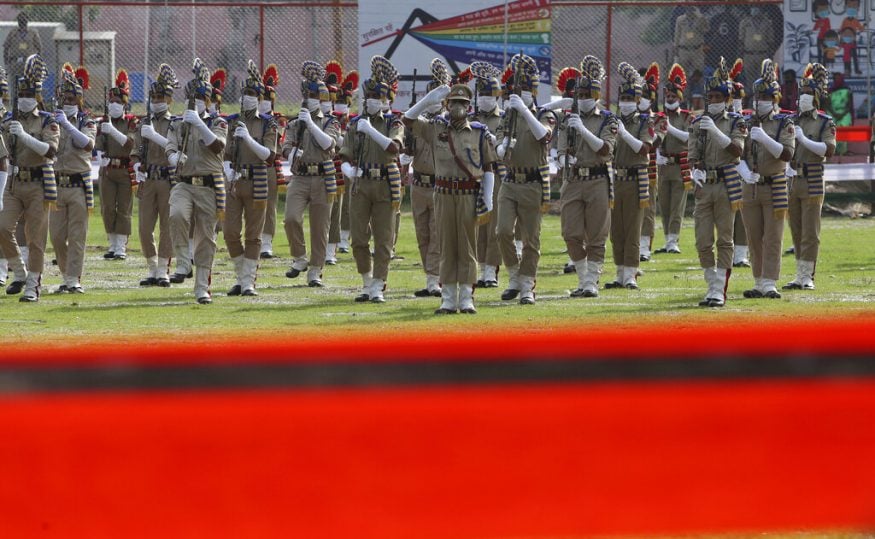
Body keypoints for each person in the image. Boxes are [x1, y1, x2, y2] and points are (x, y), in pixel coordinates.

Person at [404, 83, 497, 314]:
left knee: (467, 246)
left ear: (469, 107)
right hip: (444, 194)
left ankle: (466, 297)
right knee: (446, 245)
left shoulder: (478, 132)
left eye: (463, 104)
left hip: (468, 194)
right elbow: (408, 120)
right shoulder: (436, 128)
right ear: (447, 104)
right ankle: (447, 298)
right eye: (454, 103)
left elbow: (488, 167)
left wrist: (488, 197)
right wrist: (427, 100)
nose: (458, 108)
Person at [338, 55, 403, 303]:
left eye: (378, 98)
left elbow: (393, 148)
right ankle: (366, 281)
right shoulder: (357, 123)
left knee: (384, 238)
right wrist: (347, 169)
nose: (372, 102)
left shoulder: (393, 122)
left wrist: (371, 130)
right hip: (361, 183)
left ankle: (378, 284)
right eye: (370, 98)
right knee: (358, 237)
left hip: (386, 183)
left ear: (386, 100)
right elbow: (345, 153)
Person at [165, 58, 228, 304]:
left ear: (209, 101)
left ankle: (202, 287)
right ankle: (182, 262)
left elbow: (218, 145)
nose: (198, 102)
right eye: (194, 98)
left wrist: (199, 123)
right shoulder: (179, 123)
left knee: (206, 238)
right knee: (177, 215)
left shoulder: (217, 122)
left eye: (202, 98)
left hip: (209, 186)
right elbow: (169, 148)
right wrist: (173, 157)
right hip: (184, 183)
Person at [494, 53, 556, 305]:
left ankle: (528, 285)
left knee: (531, 238)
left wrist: (524, 110)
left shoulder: (542, 113)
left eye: (526, 90)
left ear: (533, 91)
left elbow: (544, 136)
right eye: (517, 90)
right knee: (503, 232)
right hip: (510, 181)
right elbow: (498, 146)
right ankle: (514, 276)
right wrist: (502, 146)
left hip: (532, 182)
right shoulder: (507, 116)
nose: (520, 94)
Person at [688, 57, 747, 307]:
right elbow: (692, 155)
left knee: (724, 238)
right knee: (702, 240)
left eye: (717, 97)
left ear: (726, 99)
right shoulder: (696, 122)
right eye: (709, 97)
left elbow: (737, 151)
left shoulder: (736, 121)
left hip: (726, 182)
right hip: (705, 185)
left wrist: (714, 130)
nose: (712, 101)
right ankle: (711, 282)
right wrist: (695, 172)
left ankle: (718, 290)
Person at [557, 55, 617, 298]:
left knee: (596, 234)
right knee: (570, 233)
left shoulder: (607, 119)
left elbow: (605, 150)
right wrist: (563, 160)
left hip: (597, 179)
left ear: (596, 96)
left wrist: (581, 128)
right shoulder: (567, 119)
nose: (582, 99)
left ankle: (591, 281)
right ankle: (583, 278)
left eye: (586, 95)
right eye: (579, 95)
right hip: (573, 180)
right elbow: (560, 149)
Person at [0, 54, 57, 302]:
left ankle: (33, 285)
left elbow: (50, 151)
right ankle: (20, 272)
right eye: (20, 95)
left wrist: (23, 135)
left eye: (28, 95)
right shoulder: (9, 118)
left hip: (38, 182)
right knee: (2, 226)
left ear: (36, 96)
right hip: (14, 181)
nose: (23, 99)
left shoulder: (47, 120)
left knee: (36, 237)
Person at [739, 59, 795, 300]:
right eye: (757, 96)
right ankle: (759, 280)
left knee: (773, 235)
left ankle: (771, 281)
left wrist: (764, 138)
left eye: (765, 97)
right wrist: (743, 171)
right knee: (753, 235)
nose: (759, 101)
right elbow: (737, 152)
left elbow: (787, 153)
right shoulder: (747, 120)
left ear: (774, 100)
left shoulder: (785, 122)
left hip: (775, 184)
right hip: (750, 186)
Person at [282, 61, 340, 288]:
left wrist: (312, 125)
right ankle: (299, 258)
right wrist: (291, 154)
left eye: (315, 95)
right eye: (308, 94)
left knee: (320, 226)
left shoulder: (330, 121)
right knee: (290, 218)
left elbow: (329, 144)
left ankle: (315, 271)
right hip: (300, 176)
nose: (311, 98)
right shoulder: (296, 123)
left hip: (323, 176)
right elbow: (285, 146)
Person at [224, 60, 278, 296]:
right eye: (245, 93)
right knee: (230, 231)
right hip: (236, 180)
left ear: (259, 97)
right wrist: (227, 168)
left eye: (252, 94)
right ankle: (241, 274)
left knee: (253, 234)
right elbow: (226, 152)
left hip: (257, 178)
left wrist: (248, 138)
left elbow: (268, 155)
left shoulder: (268, 123)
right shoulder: (233, 120)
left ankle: (247, 281)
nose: (247, 97)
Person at [783, 63, 835, 291]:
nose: (803, 97)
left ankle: (807, 276)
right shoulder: (791, 120)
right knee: (796, 228)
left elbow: (829, 150)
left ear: (815, 97)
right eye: (801, 93)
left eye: (807, 93)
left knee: (810, 230)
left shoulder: (825, 121)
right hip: (793, 179)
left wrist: (804, 140)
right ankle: (799, 273)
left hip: (813, 176)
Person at [605, 62, 654, 290]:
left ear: (637, 100)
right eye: (621, 99)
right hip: (616, 177)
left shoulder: (645, 121)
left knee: (633, 227)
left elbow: (644, 149)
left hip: (636, 178)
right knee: (616, 229)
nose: (624, 103)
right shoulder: (612, 121)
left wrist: (624, 133)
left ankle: (631, 273)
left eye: (628, 99)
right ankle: (619, 271)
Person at [50, 64, 96, 294]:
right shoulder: (52, 120)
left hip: (78, 184)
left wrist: (66, 124)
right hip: (56, 183)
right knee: (57, 236)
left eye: (72, 98)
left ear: (79, 100)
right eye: (64, 98)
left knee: (78, 236)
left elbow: (87, 144)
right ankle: (67, 274)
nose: (67, 102)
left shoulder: (86, 122)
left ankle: (73, 279)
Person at [132, 63, 179, 287]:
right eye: (153, 97)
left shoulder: (176, 124)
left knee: (167, 226)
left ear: (168, 99)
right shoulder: (144, 122)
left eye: (160, 97)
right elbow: (135, 151)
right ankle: (152, 268)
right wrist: (136, 168)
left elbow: (179, 151)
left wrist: (156, 137)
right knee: (144, 227)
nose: (156, 100)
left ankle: (163, 270)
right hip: (149, 178)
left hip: (168, 179)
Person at [406, 58, 449, 299]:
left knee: (436, 234)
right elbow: (408, 126)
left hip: (438, 186)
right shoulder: (419, 122)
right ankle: (431, 276)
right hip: (418, 184)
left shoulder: (448, 123)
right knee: (422, 234)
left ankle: (434, 279)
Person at [470, 61, 505, 289]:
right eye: (481, 94)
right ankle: (479, 268)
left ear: (497, 96)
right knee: (475, 223)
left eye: (489, 94)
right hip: (472, 175)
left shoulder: (503, 118)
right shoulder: (470, 118)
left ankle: (491, 270)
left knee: (493, 223)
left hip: (497, 174)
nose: (484, 98)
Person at [96, 69, 138, 261]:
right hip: (108, 169)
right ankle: (112, 244)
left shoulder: (131, 122)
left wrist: (112, 130)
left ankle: (121, 245)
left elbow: (130, 144)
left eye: (118, 102)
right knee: (107, 207)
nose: (114, 105)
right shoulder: (104, 121)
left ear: (124, 104)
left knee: (124, 207)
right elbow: (97, 147)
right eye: (111, 101)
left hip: (124, 168)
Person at [654, 63, 693, 255]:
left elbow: (688, 137)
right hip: (663, 165)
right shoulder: (659, 116)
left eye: (673, 96)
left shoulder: (686, 117)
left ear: (680, 98)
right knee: (665, 205)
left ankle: (673, 241)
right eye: (668, 96)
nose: (670, 99)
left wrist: (669, 127)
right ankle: (667, 239)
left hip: (680, 165)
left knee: (678, 204)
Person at [638, 63, 666, 263]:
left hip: (648, 169)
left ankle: (645, 246)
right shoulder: (628, 118)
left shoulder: (659, 119)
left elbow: (655, 142)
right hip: (627, 169)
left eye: (646, 96)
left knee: (648, 209)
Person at [728, 60, 750, 268]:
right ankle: (727, 250)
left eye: (738, 97)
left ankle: (741, 253)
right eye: (732, 97)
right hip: (724, 170)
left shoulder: (750, 119)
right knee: (725, 213)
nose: (735, 101)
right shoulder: (721, 120)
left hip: (744, 171)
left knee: (742, 213)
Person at [259, 64, 283, 259]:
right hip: (248, 166)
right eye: (262, 98)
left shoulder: (277, 120)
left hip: (267, 167)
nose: (264, 102)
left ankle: (266, 243)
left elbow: (278, 146)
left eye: (268, 99)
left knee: (269, 204)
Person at [738, 5, 774, 95]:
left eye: (757, 7)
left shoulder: (767, 23)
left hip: (762, 54)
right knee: (749, 77)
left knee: (762, 76)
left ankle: (761, 95)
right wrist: (740, 53)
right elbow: (741, 39)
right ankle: (751, 97)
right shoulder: (745, 22)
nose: (755, 9)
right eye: (753, 7)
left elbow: (770, 40)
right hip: (748, 54)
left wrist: (771, 54)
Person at [3, 12, 42, 82]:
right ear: (18, 21)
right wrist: (7, 63)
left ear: (27, 20)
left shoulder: (33, 33)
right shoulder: (13, 32)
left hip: (29, 63)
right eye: (20, 19)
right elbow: (6, 47)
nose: (22, 21)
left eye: (24, 19)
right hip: (15, 63)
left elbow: (39, 48)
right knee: (15, 85)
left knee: (28, 85)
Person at [674, 6, 709, 79]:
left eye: (692, 9)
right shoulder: (680, 19)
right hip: (684, 49)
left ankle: (698, 89)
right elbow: (677, 34)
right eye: (688, 9)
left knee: (699, 72)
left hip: (697, 49)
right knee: (683, 74)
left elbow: (706, 30)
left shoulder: (700, 19)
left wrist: (700, 17)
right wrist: (676, 47)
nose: (689, 11)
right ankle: (686, 89)